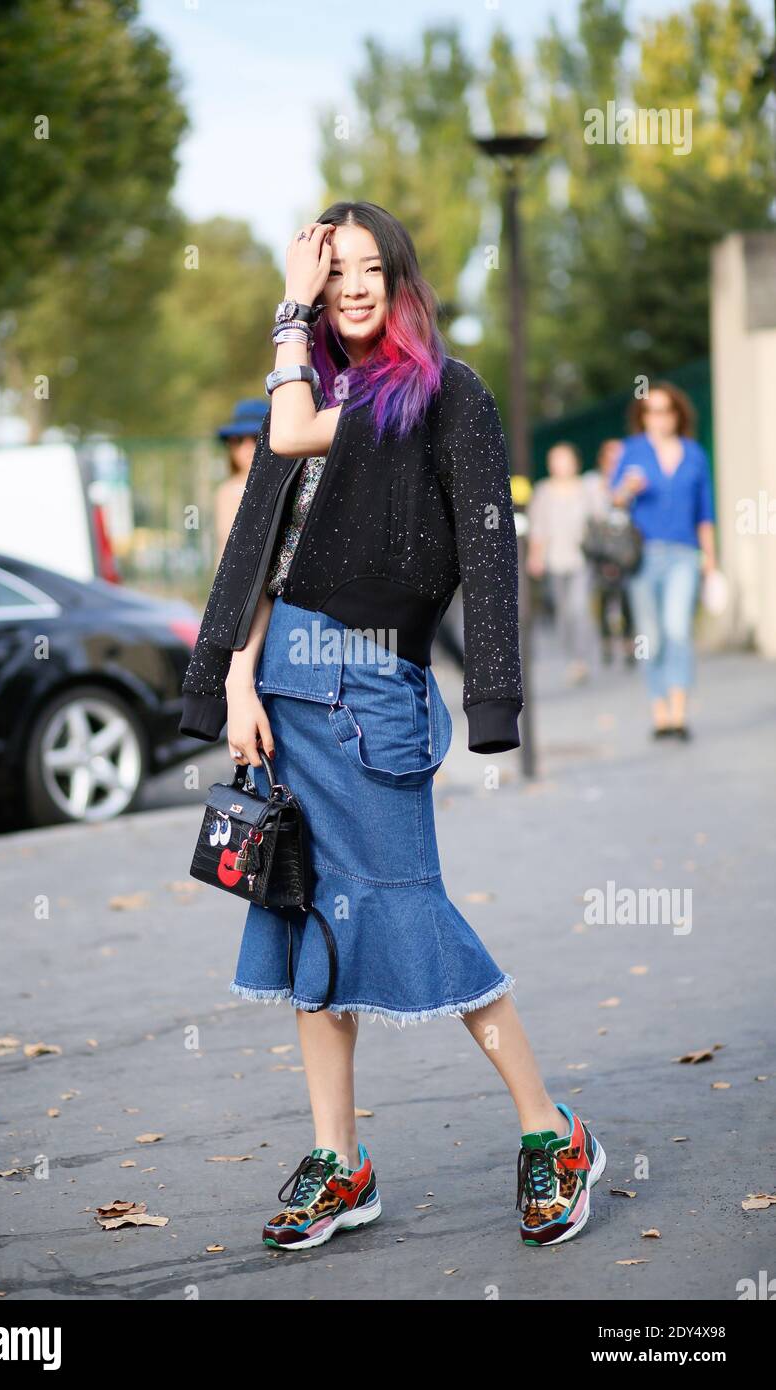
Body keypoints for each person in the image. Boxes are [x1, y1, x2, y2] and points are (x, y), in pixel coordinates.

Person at [180, 201, 606, 1252]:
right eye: (334, 276)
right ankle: (340, 1159)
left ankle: (552, 1130)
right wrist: (238, 681)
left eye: (369, 268)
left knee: (409, 913)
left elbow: (489, 549)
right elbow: (260, 554)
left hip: (373, 692)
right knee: (304, 919)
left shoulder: (434, 393)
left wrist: (493, 692)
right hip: (283, 685)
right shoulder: (307, 381)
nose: (354, 287)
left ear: (400, 278)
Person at [610, 382, 717, 739]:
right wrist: (627, 489)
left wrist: (711, 561)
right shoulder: (633, 450)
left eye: (666, 410)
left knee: (677, 629)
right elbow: (615, 500)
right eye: (652, 410)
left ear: (677, 415)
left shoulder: (694, 454)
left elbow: (706, 513)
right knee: (650, 638)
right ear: (643, 416)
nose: (660, 417)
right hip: (643, 556)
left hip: (684, 554)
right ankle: (659, 711)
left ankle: (679, 713)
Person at [526, 441, 599, 683]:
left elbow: (600, 521)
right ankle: (571, 656)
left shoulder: (586, 489)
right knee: (563, 611)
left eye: (564, 459)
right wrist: (535, 557)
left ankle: (581, 660)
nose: (560, 465)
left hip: (581, 558)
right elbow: (538, 528)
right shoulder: (544, 491)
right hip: (555, 560)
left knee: (578, 607)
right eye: (556, 460)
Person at [582, 439, 636, 666]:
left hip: (625, 545)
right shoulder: (592, 482)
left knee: (626, 596)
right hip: (602, 547)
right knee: (604, 594)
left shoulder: (632, 478)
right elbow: (591, 512)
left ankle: (628, 643)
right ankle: (606, 641)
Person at [214, 398, 267, 563]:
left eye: (256, 437)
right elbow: (225, 547)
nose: (246, 447)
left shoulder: (290, 484)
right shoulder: (226, 491)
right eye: (238, 440)